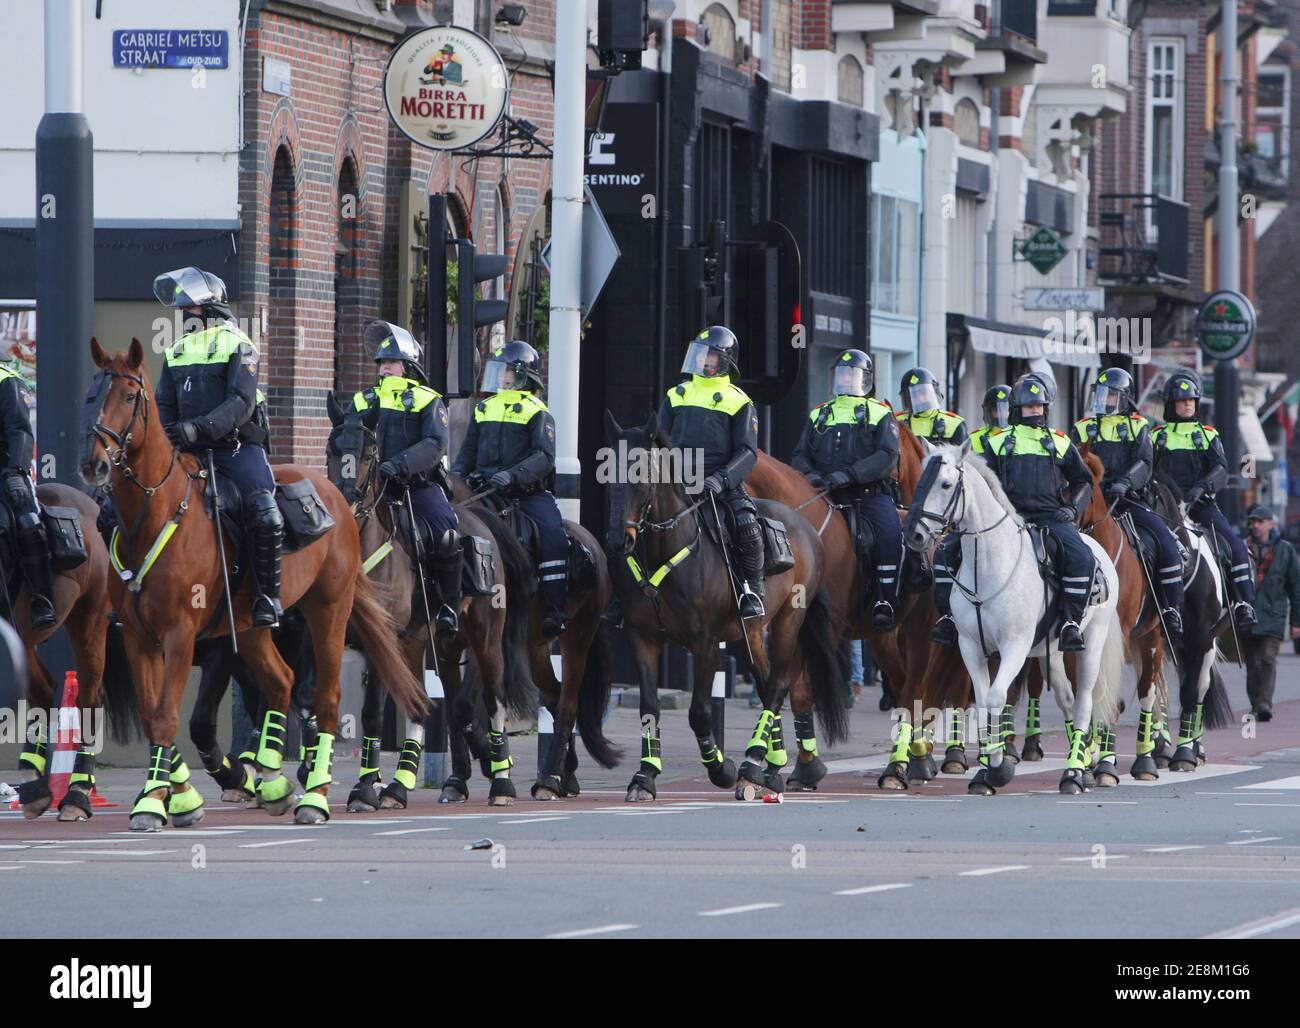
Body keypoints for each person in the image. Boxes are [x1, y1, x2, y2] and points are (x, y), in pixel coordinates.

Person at [153, 266, 282, 627]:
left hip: (235, 450)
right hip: (188, 452)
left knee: (263, 510)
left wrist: (198, 429)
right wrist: (169, 436)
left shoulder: (239, 344)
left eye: (189, 311)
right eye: (181, 313)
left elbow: (241, 402)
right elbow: (165, 404)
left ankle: (266, 598)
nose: (184, 319)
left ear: (210, 311)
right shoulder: (175, 351)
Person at [350, 321, 461, 638]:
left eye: (391, 362)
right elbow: (346, 436)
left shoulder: (427, 399)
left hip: (415, 487)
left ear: (409, 365)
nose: (384, 368)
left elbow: (434, 445)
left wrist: (398, 466)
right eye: (382, 363)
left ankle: (447, 607)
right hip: (370, 488)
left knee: (447, 532)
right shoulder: (364, 400)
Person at [453, 340, 568, 638]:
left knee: (554, 536)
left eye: (508, 372)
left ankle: (554, 610)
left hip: (526, 493)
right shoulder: (484, 408)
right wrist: (453, 479)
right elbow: (468, 452)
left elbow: (544, 457)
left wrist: (513, 476)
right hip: (485, 490)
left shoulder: (537, 411)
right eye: (499, 371)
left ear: (524, 376)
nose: (501, 378)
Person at [657, 326, 764, 618]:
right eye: (700, 353)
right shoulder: (676, 394)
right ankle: (625, 597)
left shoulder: (739, 400)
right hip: (676, 482)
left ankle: (751, 590)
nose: (703, 360)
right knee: (637, 520)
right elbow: (658, 439)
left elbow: (747, 453)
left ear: (726, 362)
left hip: (718, 483)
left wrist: (720, 480)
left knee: (746, 524)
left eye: (711, 356)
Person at [985, 373, 1096, 652]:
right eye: (1029, 406)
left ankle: (1071, 622)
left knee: (1082, 557)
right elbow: (985, 481)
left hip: (1051, 517)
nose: (1035, 410)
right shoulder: (998, 442)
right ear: (1016, 410)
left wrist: (1072, 509)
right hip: (1009, 519)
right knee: (951, 550)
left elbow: (1083, 481)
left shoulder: (1060, 441)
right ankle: (951, 618)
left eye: (1039, 406)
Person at [792, 348, 901, 630]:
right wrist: (812, 475)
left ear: (865, 380)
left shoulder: (879, 412)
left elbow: (887, 457)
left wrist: (849, 475)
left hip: (868, 495)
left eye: (852, 375)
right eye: (841, 374)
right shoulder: (820, 413)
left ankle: (885, 600)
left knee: (890, 532)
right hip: (824, 494)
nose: (846, 380)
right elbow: (800, 454)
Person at [1073, 367, 1184, 638]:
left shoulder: (1137, 426)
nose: (1103, 401)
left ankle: (1170, 609)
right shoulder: (1083, 427)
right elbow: (1074, 462)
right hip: (1089, 501)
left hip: (1127, 499)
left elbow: (1145, 462)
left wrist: (1126, 481)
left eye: (1110, 396)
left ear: (1123, 398)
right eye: (1100, 395)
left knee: (1167, 544)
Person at [1152, 370, 1257, 630]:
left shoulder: (1208, 434)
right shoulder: (1157, 436)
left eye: (1192, 399)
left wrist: (1203, 487)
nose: (1188, 404)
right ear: (1170, 404)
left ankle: (1244, 602)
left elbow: (1221, 468)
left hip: (1202, 507)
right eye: (1181, 399)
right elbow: (1150, 470)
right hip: (1166, 509)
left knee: (1235, 546)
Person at [931, 384, 1010, 645]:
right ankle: (948, 617)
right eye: (993, 410)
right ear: (985, 412)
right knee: (943, 555)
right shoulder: (973, 439)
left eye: (1005, 410)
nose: (1000, 415)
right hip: (982, 513)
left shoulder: (1026, 438)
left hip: (1016, 511)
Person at [0, 363, 54, 628]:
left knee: (27, 521)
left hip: (6, 470)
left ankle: (42, 598)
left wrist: (15, 471)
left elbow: (19, 431)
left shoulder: (6, 378)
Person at [1242, 505, 1300, 721]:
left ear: (1270, 524)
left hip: (1273, 616)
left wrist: (1296, 622)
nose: (1255, 525)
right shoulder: (1242, 547)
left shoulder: (1285, 550)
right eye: (1253, 522)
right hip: (1248, 616)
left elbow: (1296, 588)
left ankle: (1264, 703)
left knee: (1267, 658)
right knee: (1252, 663)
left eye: (1260, 521)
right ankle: (1256, 703)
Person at [896, 367, 968, 444]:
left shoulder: (954, 423)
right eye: (915, 395)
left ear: (934, 392)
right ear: (907, 398)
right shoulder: (896, 421)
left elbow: (963, 454)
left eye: (923, 393)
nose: (920, 398)